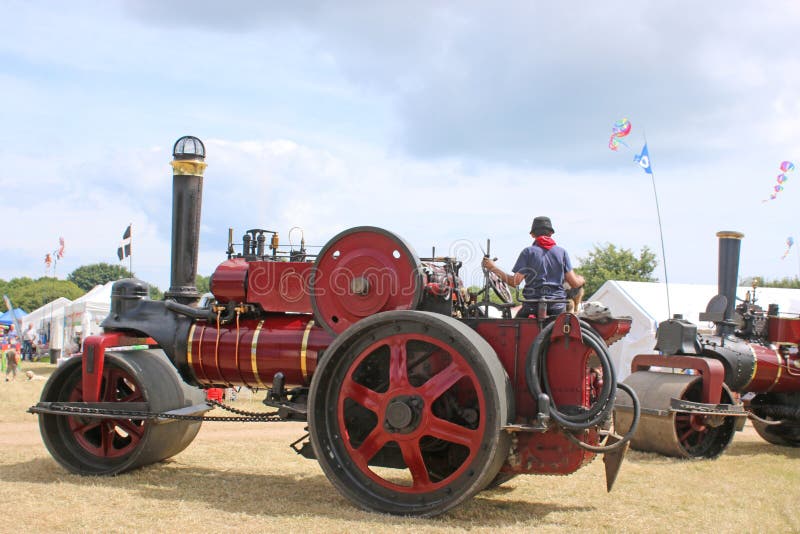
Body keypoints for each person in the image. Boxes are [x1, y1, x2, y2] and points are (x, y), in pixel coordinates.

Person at [482, 216, 585, 319]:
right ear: (551, 234)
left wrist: (492, 268)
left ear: (532, 234)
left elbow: (514, 282)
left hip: (532, 306)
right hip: (557, 307)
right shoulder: (562, 253)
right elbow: (574, 283)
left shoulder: (528, 252)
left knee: (514, 326)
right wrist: (581, 279)